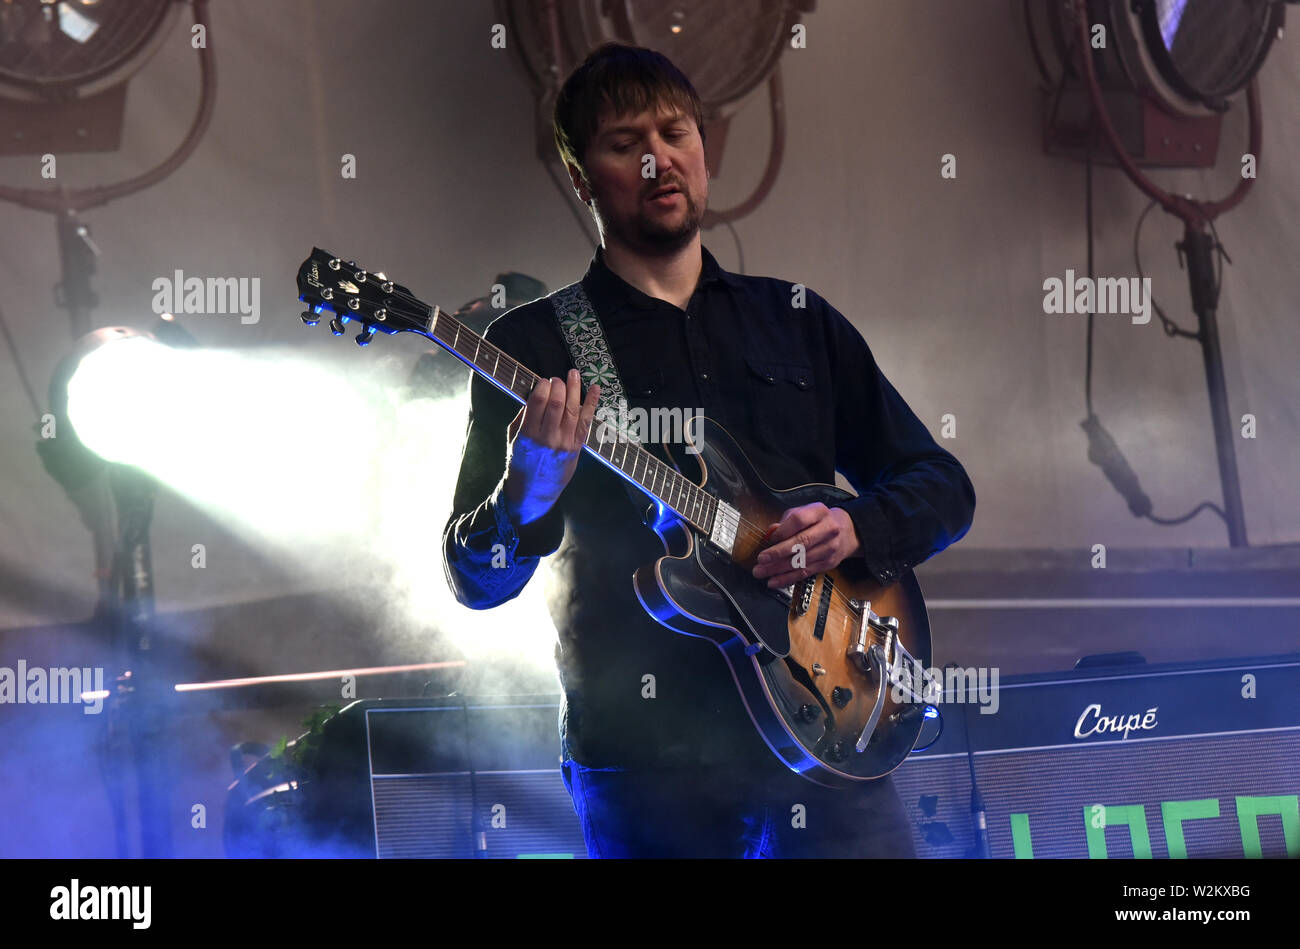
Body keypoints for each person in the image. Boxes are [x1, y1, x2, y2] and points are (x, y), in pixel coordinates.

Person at [442, 42, 975, 857]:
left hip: (826, 728)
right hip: (646, 761)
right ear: (583, 177)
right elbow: (473, 580)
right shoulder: (535, 343)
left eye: (676, 133)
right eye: (626, 144)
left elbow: (942, 484)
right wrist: (525, 493)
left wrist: (860, 528)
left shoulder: (797, 320)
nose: (660, 159)